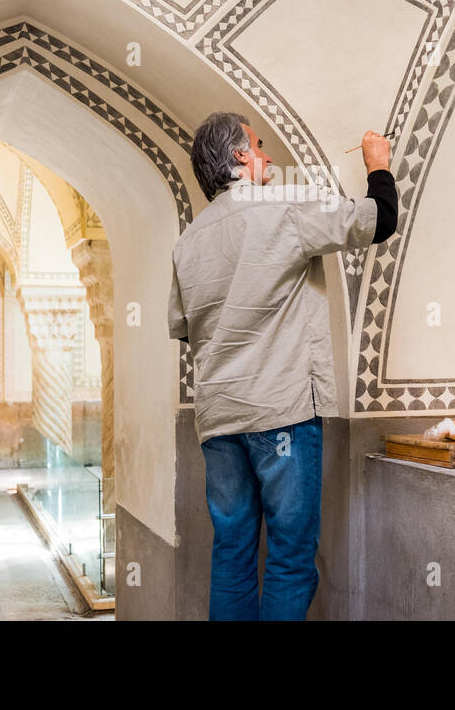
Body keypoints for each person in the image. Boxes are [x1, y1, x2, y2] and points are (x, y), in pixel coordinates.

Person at [168, 112, 397, 620]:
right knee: (290, 558)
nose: (268, 156)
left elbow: (186, 329)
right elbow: (378, 220)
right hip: (282, 412)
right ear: (240, 156)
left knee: (232, 549)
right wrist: (378, 167)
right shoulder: (282, 206)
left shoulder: (189, 241)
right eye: (259, 146)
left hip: (220, 420)